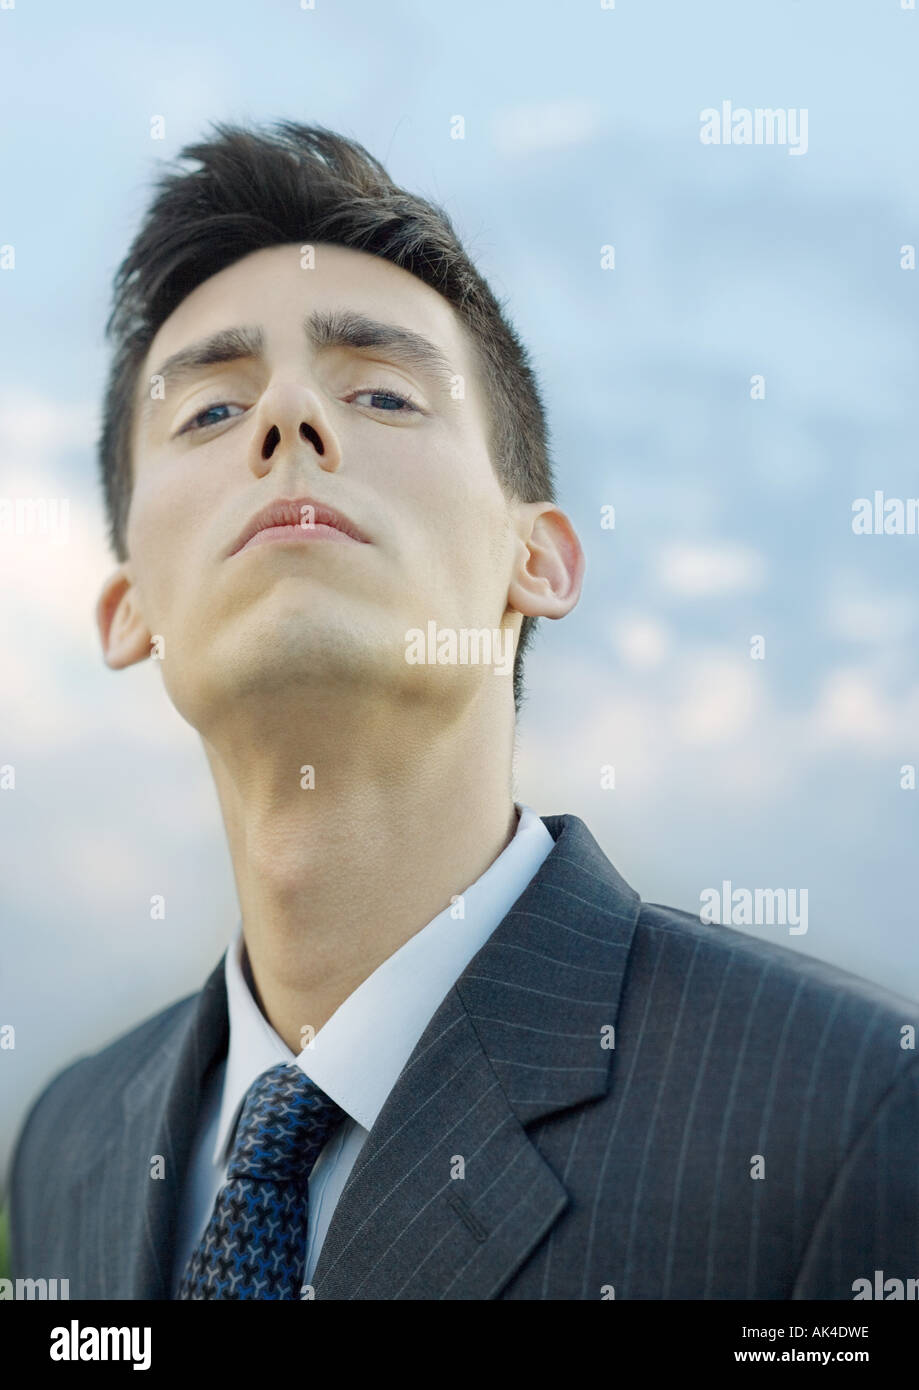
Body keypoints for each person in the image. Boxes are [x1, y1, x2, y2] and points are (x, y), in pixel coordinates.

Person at [8, 120, 918, 1301]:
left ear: (535, 558)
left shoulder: (841, 1114)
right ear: (130, 609)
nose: (289, 417)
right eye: (210, 413)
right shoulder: (66, 1144)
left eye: (383, 392)